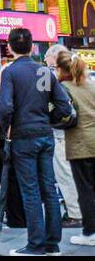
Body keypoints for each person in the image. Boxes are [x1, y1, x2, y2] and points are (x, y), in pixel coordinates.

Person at [0, 26, 71, 255]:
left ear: (9, 48)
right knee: (49, 188)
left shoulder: (10, 72)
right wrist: (48, 118)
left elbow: (6, 106)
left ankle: (36, 244)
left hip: (22, 136)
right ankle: (52, 242)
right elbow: (64, 105)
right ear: (32, 47)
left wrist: (6, 126)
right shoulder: (44, 72)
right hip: (44, 134)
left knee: (30, 191)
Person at [55, 48, 95, 246]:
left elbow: (62, 116)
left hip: (80, 145)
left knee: (85, 190)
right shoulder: (92, 86)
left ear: (62, 69)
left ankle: (89, 233)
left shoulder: (64, 88)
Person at [44, 45, 84, 225]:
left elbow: (49, 106)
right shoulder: (84, 78)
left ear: (56, 59)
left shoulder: (51, 78)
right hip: (82, 132)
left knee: (65, 174)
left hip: (62, 133)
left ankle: (75, 213)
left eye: (47, 57)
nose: (45, 61)